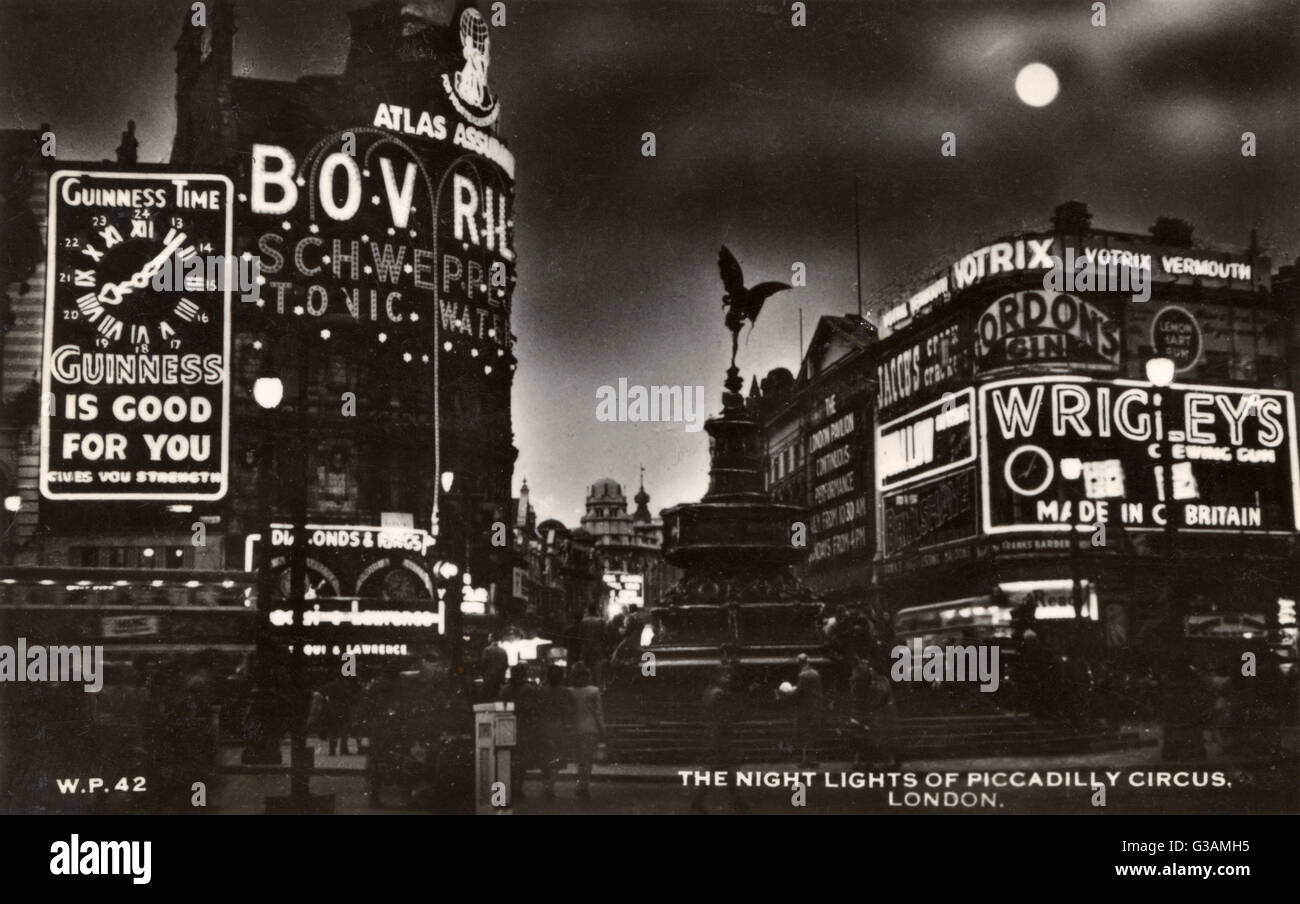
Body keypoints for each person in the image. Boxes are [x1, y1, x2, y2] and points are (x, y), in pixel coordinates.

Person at [691, 665, 745, 813]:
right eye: (725, 675)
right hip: (720, 737)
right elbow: (724, 717)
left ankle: (737, 802)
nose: (728, 678)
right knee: (723, 770)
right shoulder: (720, 694)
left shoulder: (708, 692)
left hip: (711, 735)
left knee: (723, 771)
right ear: (718, 677)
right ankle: (736, 802)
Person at [501, 664, 543, 802]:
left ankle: (511, 786)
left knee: (510, 758)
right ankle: (518, 787)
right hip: (525, 727)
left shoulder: (505, 689)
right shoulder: (530, 689)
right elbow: (535, 709)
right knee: (522, 758)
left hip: (507, 727)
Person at [568, 663, 605, 799]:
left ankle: (580, 783)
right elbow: (598, 712)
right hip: (591, 729)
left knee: (579, 759)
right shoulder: (594, 691)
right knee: (588, 759)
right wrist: (603, 729)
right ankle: (584, 785)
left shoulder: (570, 691)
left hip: (575, 729)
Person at [539, 664, 570, 800]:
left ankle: (546, 785)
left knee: (545, 757)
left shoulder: (541, 690)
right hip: (558, 726)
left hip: (543, 726)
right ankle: (550, 786)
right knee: (556, 758)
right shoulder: (564, 691)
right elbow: (567, 711)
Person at [792, 653, 824, 768]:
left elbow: (799, 692)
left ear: (800, 663)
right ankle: (813, 760)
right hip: (816, 707)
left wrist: (789, 693)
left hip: (805, 709)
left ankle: (806, 760)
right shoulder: (815, 673)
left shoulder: (803, 675)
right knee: (813, 734)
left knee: (805, 734)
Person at [579, 604, 607, 690]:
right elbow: (604, 636)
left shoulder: (583, 621)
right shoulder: (601, 621)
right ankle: (597, 691)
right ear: (596, 610)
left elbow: (580, 636)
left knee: (587, 671)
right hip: (597, 649)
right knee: (597, 672)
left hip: (586, 649)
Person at [479, 636, 510, 702]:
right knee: (498, 696)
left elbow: (483, 664)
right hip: (500, 678)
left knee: (488, 697)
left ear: (491, 639)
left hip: (489, 678)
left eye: (489, 637)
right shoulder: (503, 651)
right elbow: (506, 665)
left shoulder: (487, 650)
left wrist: (483, 674)